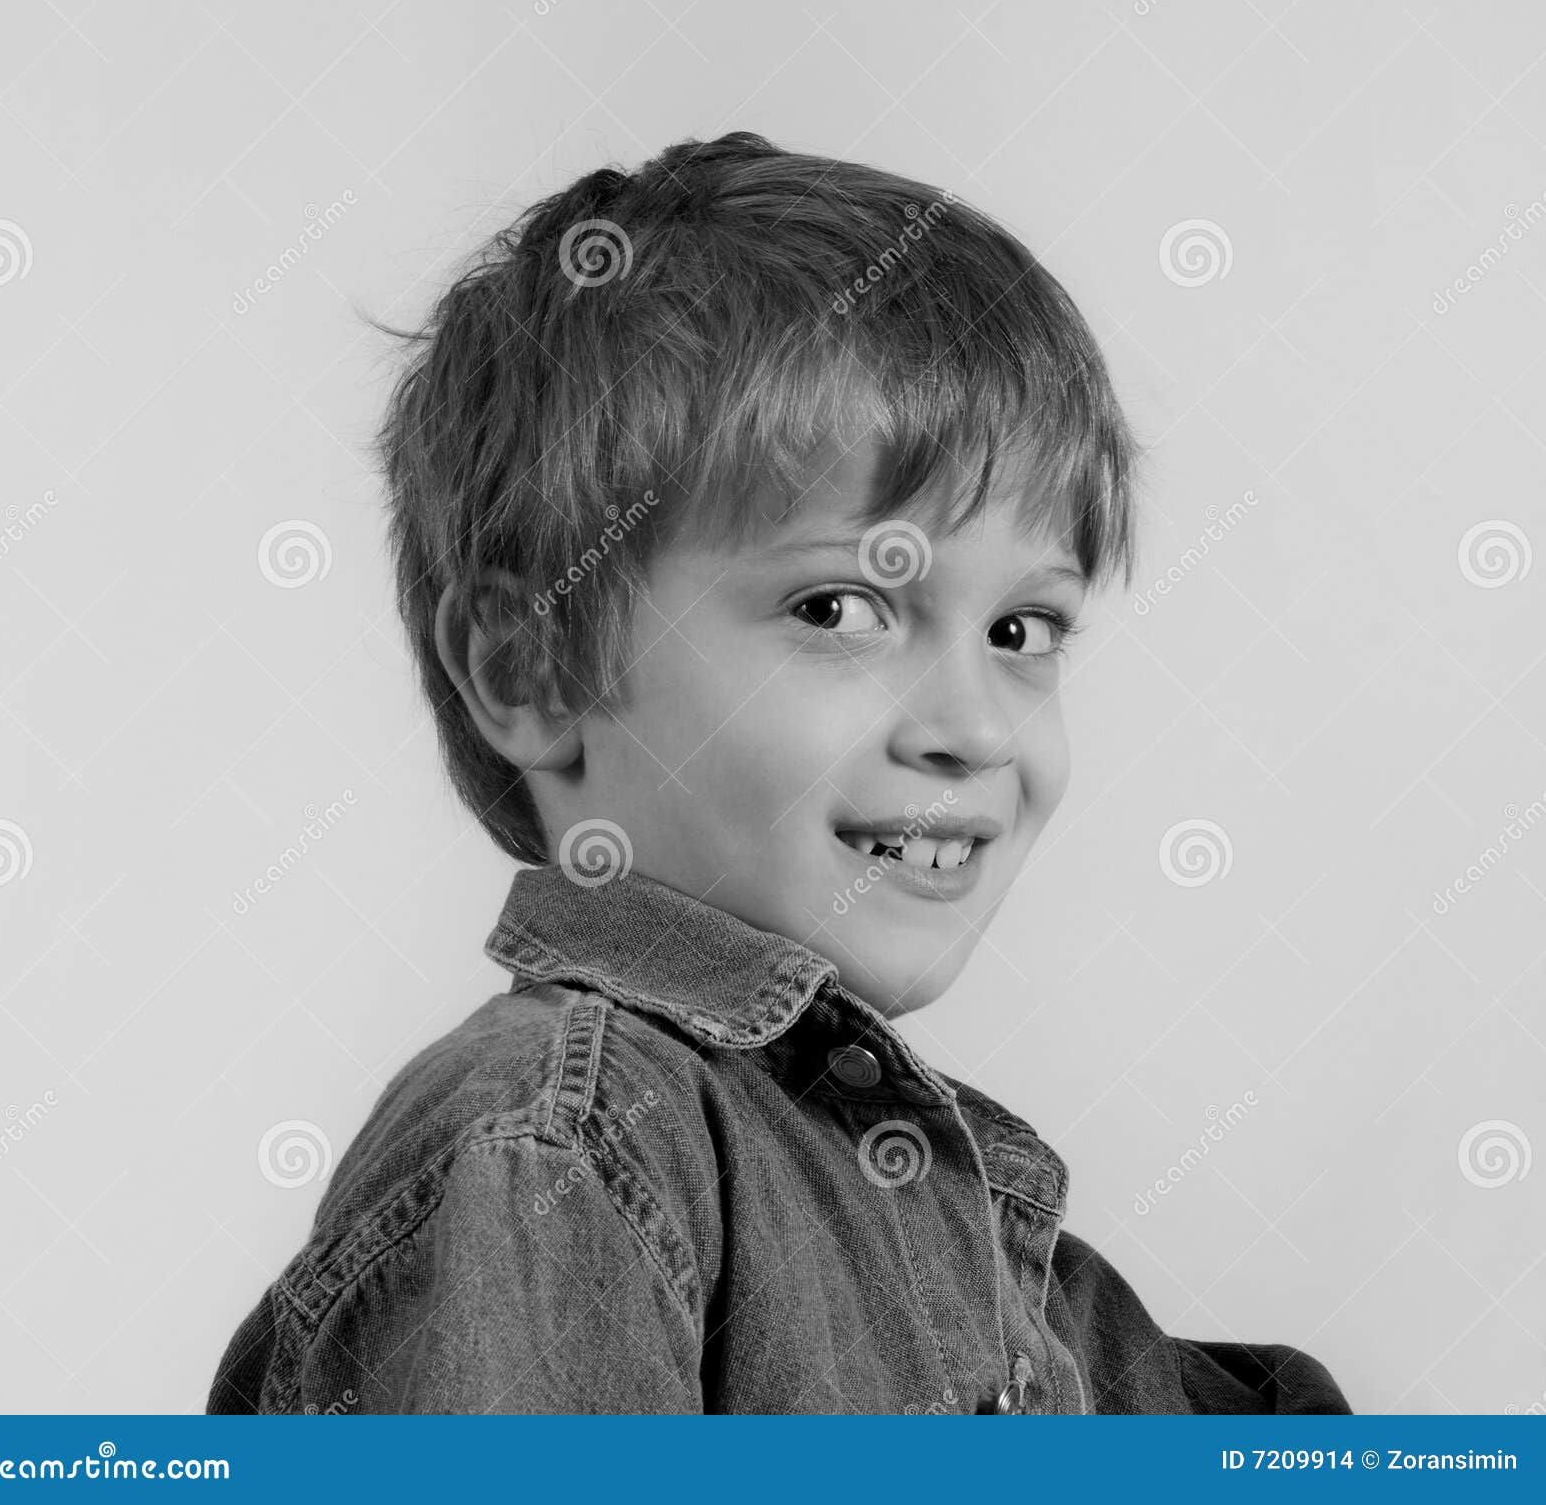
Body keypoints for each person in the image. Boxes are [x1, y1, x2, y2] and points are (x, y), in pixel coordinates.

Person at [206, 132, 1351, 1415]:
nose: (971, 726)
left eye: (1021, 632)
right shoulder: (556, 1147)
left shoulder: (997, 1259)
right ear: (532, 668)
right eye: (840, 609)